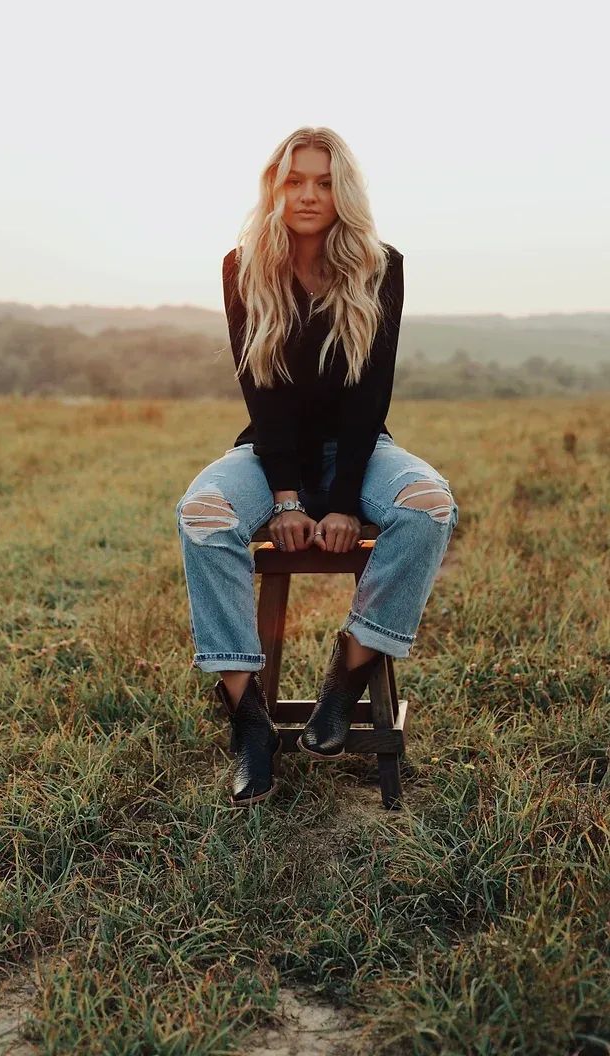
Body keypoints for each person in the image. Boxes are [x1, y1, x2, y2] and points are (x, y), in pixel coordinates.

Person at [175, 126, 458, 809]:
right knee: (201, 515)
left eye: (324, 181)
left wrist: (339, 503)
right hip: (271, 453)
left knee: (428, 505)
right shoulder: (241, 266)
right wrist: (287, 500)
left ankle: (347, 678)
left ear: (344, 192)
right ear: (275, 187)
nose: (308, 193)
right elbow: (261, 396)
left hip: (360, 449)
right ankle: (249, 722)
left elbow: (370, 396)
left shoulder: (380, 265)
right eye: (295, 179)